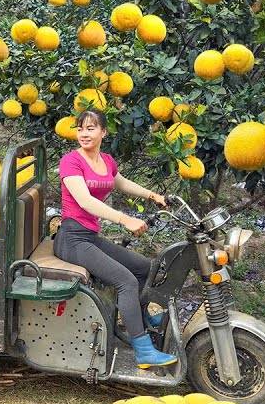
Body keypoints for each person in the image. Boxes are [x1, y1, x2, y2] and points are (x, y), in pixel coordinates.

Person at [55, 108, 177, 368]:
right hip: (72, 239)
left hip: (89, 236)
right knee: (126, 281)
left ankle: (138, 320)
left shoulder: (106, 161)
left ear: (103, 132)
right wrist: (125, 219)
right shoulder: (71, 161)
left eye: (90, 128)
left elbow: (121, 183)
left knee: (145, 268)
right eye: (80, 128)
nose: (84, 133)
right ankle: (143, 351)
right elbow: (85, 201)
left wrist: (153, 196)